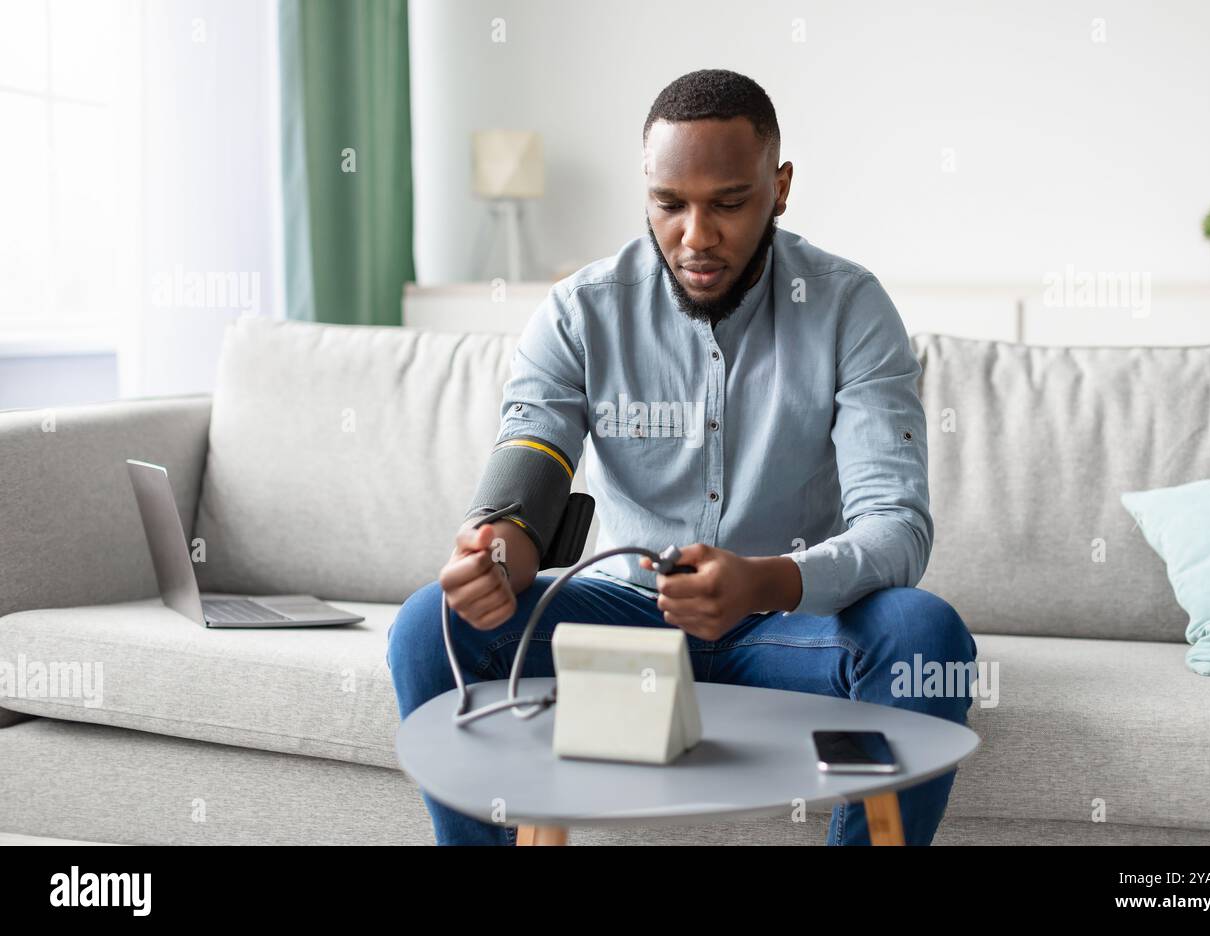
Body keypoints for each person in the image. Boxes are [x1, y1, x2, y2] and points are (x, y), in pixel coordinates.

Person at [387, 68, 977, 846]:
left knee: (926, 639)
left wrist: (763, 580)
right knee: (430, 623)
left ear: (781, 186)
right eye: (670, 205)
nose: (696, 236)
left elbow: (896, 527)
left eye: (729, 203)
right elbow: (527, 471)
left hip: (789, 622)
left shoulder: (849, 308)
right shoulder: (579, 312)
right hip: (623, 617)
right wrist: (498, 553)